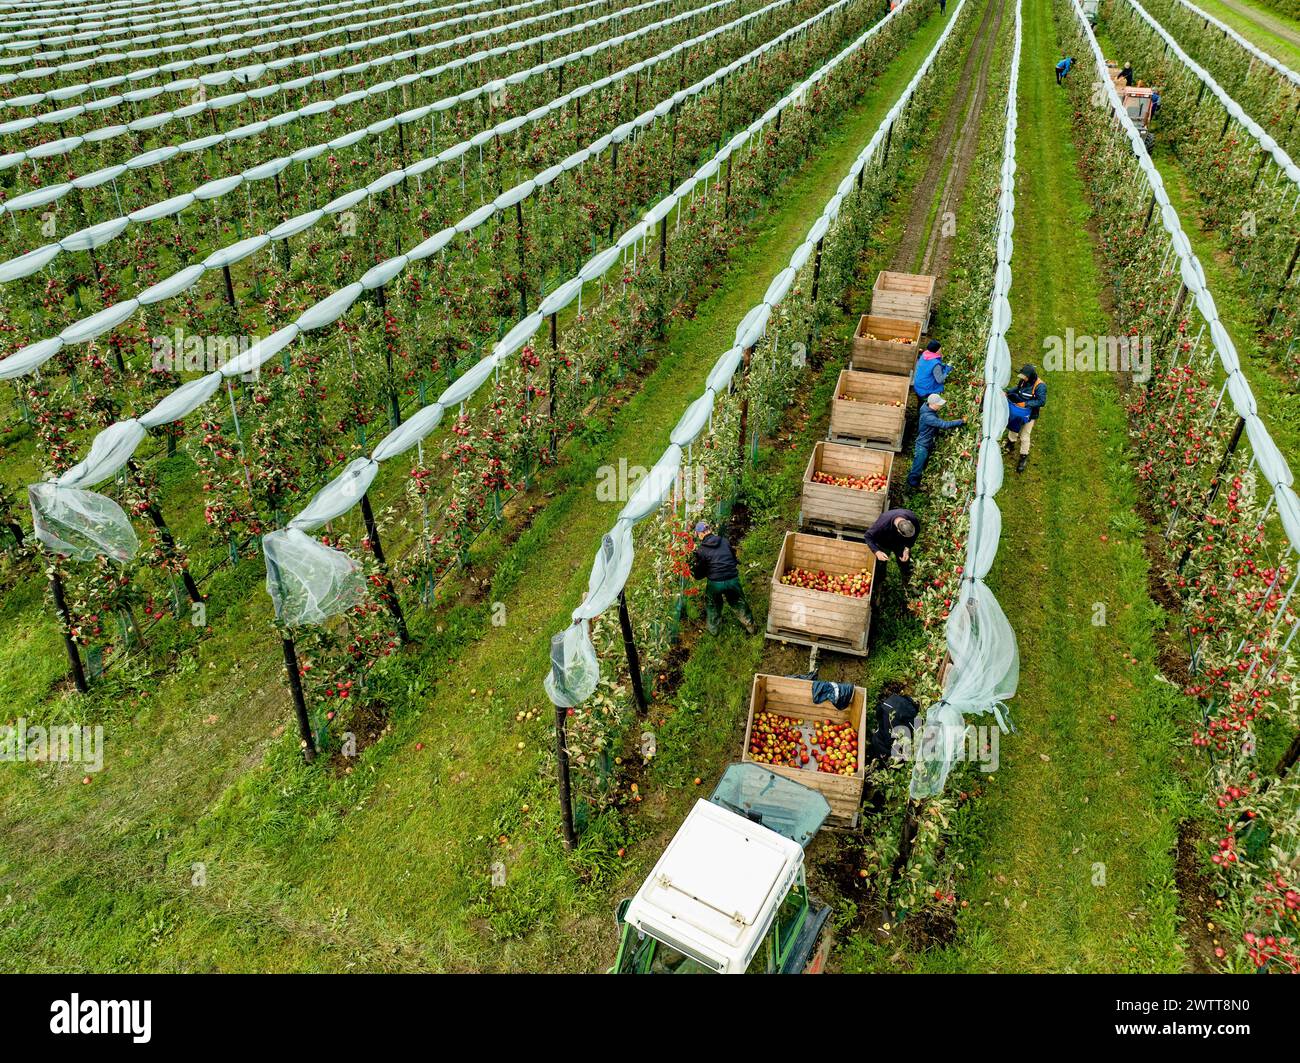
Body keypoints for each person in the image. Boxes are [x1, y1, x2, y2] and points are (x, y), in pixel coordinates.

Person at [689, 521, 756, 635]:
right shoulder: (724, 541)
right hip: (732, 579)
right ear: (709, 530)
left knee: (713, 604)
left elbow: (699, 572)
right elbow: (733, 557)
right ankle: (750, 627)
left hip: (715, 583)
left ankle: (713, 630)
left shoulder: (702, 550)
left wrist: (693, 569)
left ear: (700, 534)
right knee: (738, 602)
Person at [908, 393, 966, 490]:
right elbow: (944, 424)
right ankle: (912, 485)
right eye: (939, 404)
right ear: (932, 404)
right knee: (918, 466)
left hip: (927, 443)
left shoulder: (928, 409)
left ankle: (916, 482)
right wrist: (961, 421)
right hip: (922, 445)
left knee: (923, 464)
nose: (941, 405)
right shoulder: (928, 417)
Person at [1004, 364, 1047, 473]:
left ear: (1031, 376)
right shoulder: (1024, 381)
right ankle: (1011, 443)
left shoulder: (1040, 386)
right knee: (1013, 427)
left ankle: (1023, 456)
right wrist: (1008, 392)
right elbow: (1018, 389)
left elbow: (1041, 401)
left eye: (1025, 377)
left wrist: (1026, 404)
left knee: (1024, 435)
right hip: (1018, 410)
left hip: (1030, 414)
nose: (1023, 378)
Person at [864, 508, 920, 587]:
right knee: (881, 564)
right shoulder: (882, 524)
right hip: (883, 541)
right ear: (898, 530)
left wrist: (907, 548)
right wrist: (877, 552)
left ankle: (909, 582)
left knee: (905, 561)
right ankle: (880, 583)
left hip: (900, 543)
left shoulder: (912, 518)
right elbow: (867, 536)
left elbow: (915, 533)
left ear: (909, 522)